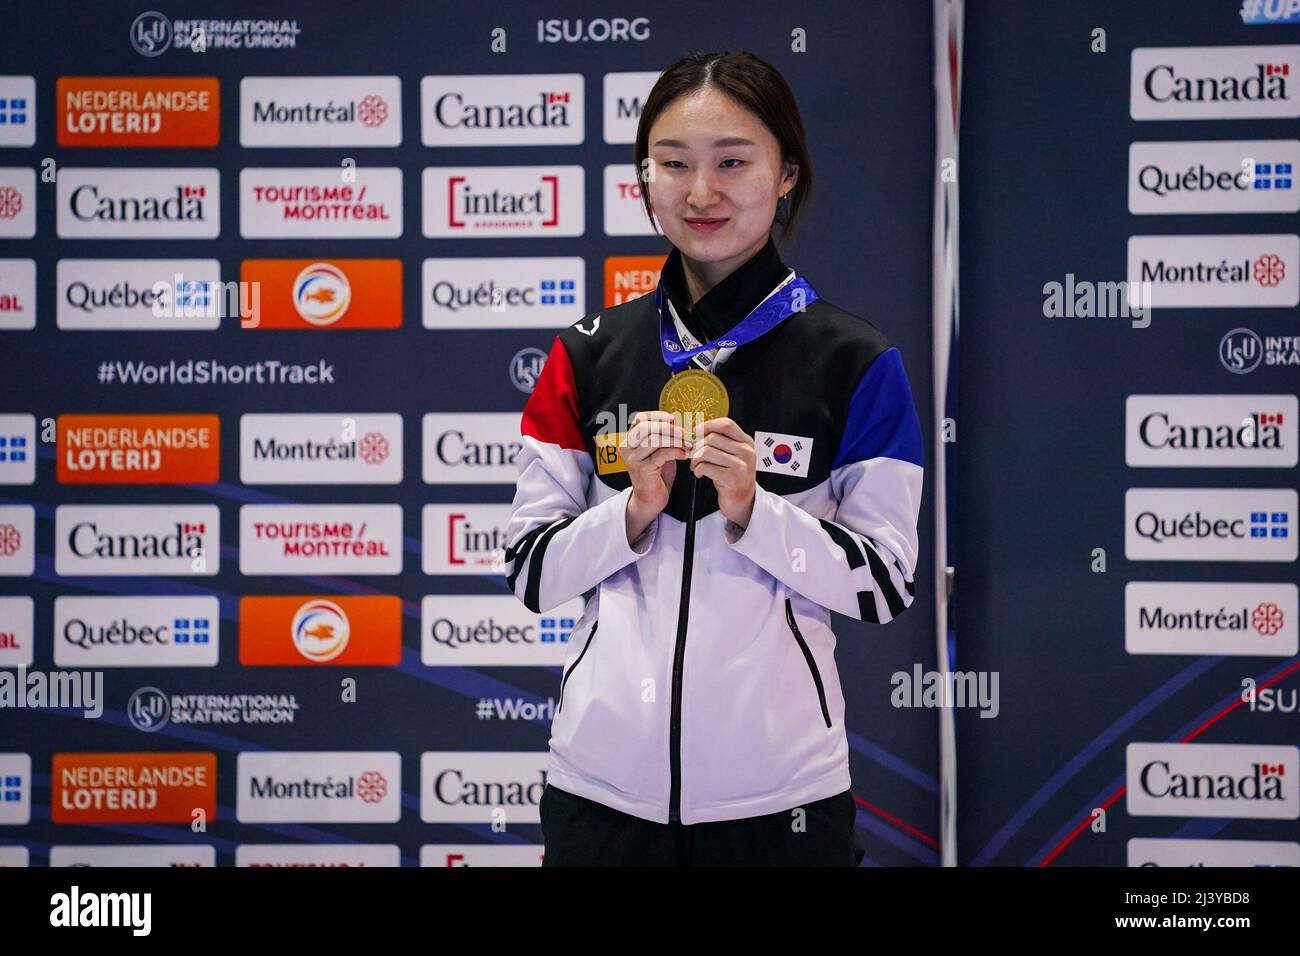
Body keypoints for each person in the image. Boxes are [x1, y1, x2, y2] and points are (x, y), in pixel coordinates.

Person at [505, 50, 924, 866]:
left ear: (786, 174)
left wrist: (753, 512)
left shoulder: (856, 360)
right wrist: (629, 513)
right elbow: (531, 573)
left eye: (733, 162)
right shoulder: (587, 354)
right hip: (599, 796)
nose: (702, 193)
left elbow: (885, 583)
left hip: (782, 804)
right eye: (674, 164)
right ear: (645, 177)